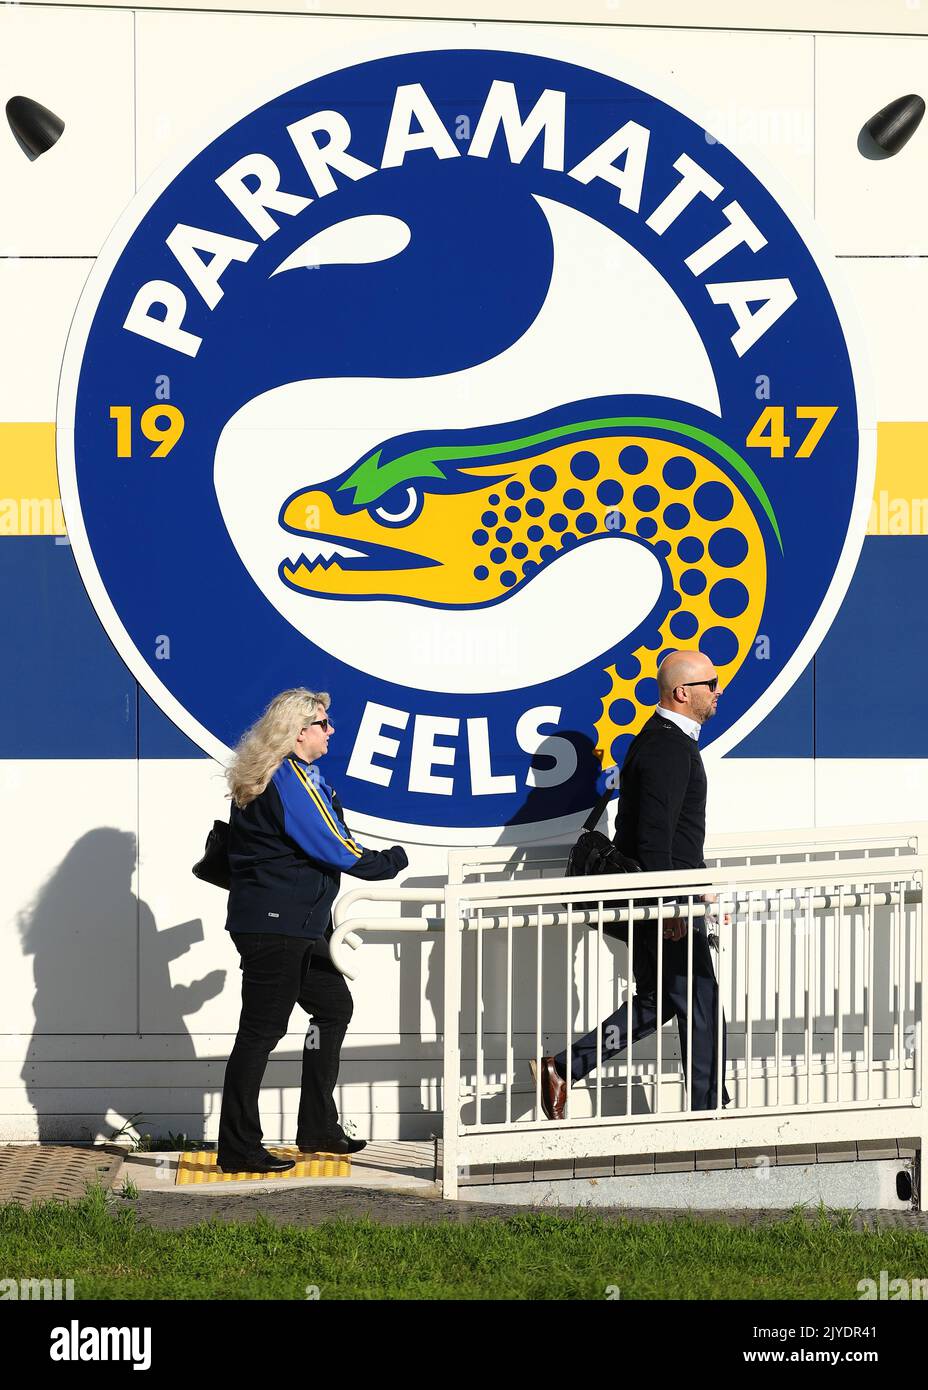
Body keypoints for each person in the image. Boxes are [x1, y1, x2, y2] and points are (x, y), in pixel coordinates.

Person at [216, 688, 407, 1174]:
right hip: (277, 925)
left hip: (293, 923)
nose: (331, 730)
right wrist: (387, 862)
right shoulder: (287, 778)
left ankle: (317, 1125)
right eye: (323, 723)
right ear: (298, 732)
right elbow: (334, 844)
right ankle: (239, 1146)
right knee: (260, 1032)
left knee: (331, 1007)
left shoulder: (291, 775)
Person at [535, 650, 730, 1120]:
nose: (718, 690)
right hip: (663, 899)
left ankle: (564, 1067)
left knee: (659, 1000)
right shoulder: (667, 746)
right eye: (711, 683)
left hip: (662, 895)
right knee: (700, 997)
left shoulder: (663, 740)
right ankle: (710, 1115)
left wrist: (696, 888)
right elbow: (653, 837)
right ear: (682, 693)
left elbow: (666, 832)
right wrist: (669, 905)